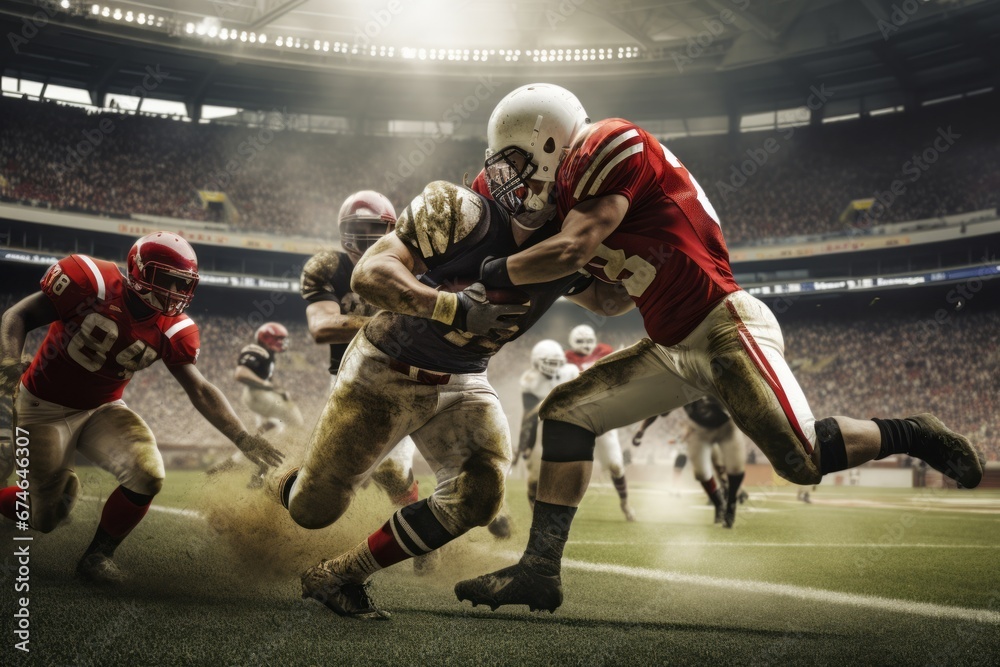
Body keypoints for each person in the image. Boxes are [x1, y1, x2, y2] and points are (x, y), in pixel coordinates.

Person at [455, 82, 984, 613]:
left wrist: (493, 273)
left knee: (800, 461)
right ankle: (540, 570)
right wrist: (565, 281)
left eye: (517, 161)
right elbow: (612, 301)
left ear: (551, 141)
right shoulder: (567, 203)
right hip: (670, 344)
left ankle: (913, 432)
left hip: (725, 325)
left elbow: (572, 246)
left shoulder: (610, 144)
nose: (512, 180)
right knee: (566, 413)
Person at [270, 179, 631, 618]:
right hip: (387, 369)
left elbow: (610, 300)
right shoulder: (460, 209)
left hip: (464, 379)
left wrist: (640, 256)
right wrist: (453, 308)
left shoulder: (570, 244)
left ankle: (342, 573)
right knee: (313, 510)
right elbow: (368, 275)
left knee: (479, 495)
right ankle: (283, 479)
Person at [0, 232, 282, 583]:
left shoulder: (175, 328)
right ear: (138, 270)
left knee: (148, 474)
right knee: (45, 517)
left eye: (182, 285)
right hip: (42, 405)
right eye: (166, 280)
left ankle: (97, 557)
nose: (175, 292)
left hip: (102, 408)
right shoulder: (91, 282)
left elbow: (200, 388)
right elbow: (18, 315)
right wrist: (9, 362)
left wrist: (243, 437)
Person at [299, 191, 420, 508]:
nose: (366, 238)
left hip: (399, 378)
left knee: (393, 470)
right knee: (331, 473)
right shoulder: (327, 267)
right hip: (347, 378)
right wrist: (385, 322)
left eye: (373, 229)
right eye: (358, 229)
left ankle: (421, 544)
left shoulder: (409, 265)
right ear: (343, 231)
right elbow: (321, 326)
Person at [208, 322, 304, 488]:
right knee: (295, 420)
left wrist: (275, 388)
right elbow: (241, 373)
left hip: (259, 396)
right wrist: (268, 386)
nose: (282, 342)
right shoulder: (258, 350)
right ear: (266, 338)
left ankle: (246, 466)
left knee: (264, 437)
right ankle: (266, 457)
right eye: (278, 338)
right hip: (257, 395)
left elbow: (265, 378)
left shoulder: (268, 354)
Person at [563, 324, 635, 521]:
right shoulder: (565, 359)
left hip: (602, 417)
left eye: (588, 341)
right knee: (570, 465)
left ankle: (625, 502)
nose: (586, 345)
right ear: (572, 342)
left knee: (615, 465)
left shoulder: (604, 351)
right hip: (577, 419)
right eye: (581, 341)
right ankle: (562, 509)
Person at [518, 339, 581, 508]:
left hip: (567, 424)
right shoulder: (530, 380)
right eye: (549, 363)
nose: (554, 367)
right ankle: (534, 502)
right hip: (542, 425)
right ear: (536, 362)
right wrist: (527, 444)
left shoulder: (571, 372)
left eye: (557, 363)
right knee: (534, 476)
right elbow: (531, 415)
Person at [679, 397, 747, 528]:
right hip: (698, 430)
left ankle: (730, 505)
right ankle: (719, 502)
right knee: (701, 473)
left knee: (734, 467)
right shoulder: (676, 385)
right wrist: (642, 429)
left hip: (726, 426)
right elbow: (661, 407)